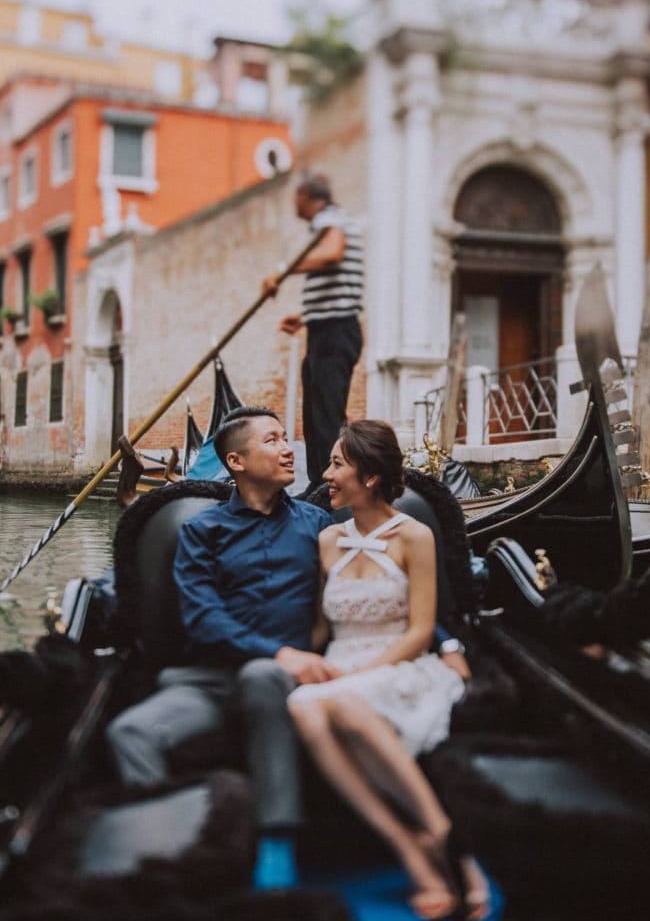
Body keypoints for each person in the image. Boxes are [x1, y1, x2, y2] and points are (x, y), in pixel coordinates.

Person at [105, 405, 470, 891]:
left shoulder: (317, 526)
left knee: (263, 676)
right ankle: (170, 856)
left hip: (288, 679)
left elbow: (380, 590)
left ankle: (277, 845)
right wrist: (279, 653)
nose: (288, 449)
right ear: (236, 462)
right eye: (273, 440)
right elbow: (203, 618)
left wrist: (446, 640)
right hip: (212, 681)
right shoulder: (201, 532)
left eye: (285, 437)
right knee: (130, 732)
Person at [287, 420, 490, 919]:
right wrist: (280, 654)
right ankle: (414, 847)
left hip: (400, 663)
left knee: (336, 702)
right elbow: (319, 628)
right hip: (340, 665)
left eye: (337, 464)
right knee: (303, 705)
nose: (326, 475)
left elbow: (419, 631)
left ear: (370, 476)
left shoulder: (415, 536)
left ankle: (442, 835)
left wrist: (357, 678)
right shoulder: (326, 539)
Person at [262, 173, 364, 492]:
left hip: (335, 332)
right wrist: (306, 317)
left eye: (296, 197)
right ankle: (319, 484)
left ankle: (331, 486)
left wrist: (282, 272)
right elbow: (336, 284)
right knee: (315, 416)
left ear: (306, 197)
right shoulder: (331, 221)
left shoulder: (329, 219)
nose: (295, 204)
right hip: (326, 330)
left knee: (326, 417)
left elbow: (332, 253)